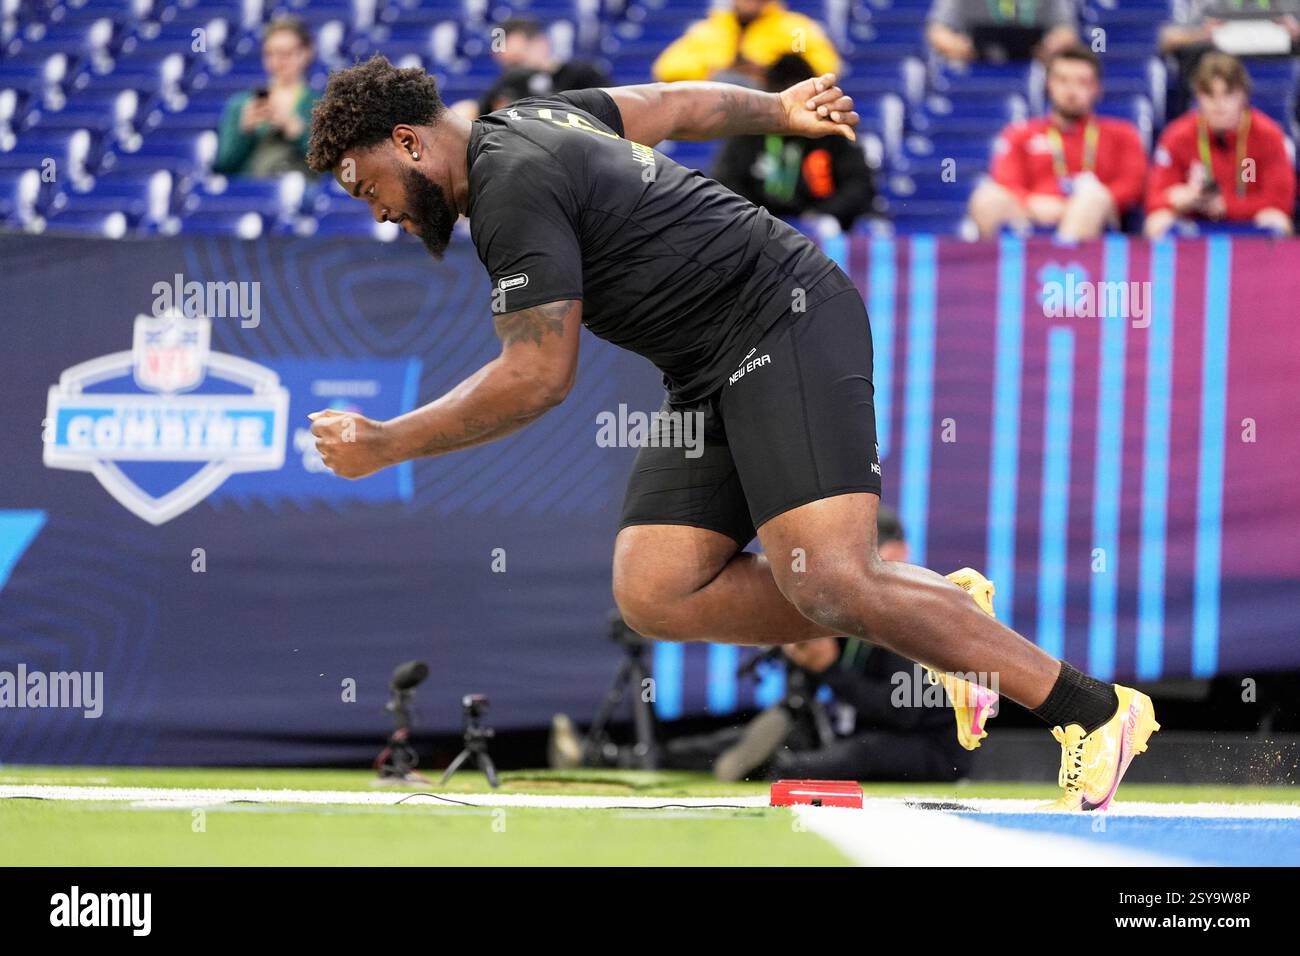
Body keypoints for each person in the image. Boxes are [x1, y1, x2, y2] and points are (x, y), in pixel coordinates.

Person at [303, 55, 1159, 812]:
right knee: (657, 588)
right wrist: (778, 110)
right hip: (705, 367)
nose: (376, 211)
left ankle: (1094, 710)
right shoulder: (535, 118)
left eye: (363, 183)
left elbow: (536, 378)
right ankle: (933, 620)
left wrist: (389, 443)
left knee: (830, 583)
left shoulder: (508, 184)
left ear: (410, 143)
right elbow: (675, 105)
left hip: (781, 320)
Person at [967, 45, 1147, 240]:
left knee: (1093, 198)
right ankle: (1001, 268)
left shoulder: (1123, 133)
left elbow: (1132, 185)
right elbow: (1006, 181)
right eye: (1062, 80)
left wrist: (1072, 206)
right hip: (1033, 211)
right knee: (986, 197)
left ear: (1097, 89)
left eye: (1082, 82)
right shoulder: (1021, 134)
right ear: (1048, 85)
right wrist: (1031, 203)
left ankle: (1063, 264)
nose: (1071, 91)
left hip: (1097, 215)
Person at [712, 54, 876, 233]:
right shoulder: (748, 132)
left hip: (823, 230)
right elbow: (727, 184)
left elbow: (858, 185)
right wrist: (758, 219)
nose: (791, 104)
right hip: (759, 229)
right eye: (782, 92)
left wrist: (825, 215)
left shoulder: (832, 130)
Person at [1145, 52, 1295, 238]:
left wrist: (1227, 205)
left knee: (1277, 220)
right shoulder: (1177, 135)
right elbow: (1154, 199)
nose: (1219, 105)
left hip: (1248, 220)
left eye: (1228, 94)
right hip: (1195, 220)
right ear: (1198, 97)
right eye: (1210, 95)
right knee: (1157, 221)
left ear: (1243, 95)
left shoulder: (1268, 135)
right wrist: (1182, 198)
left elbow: (1280, 201)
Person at [213, 17, 320, 178]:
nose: (277, 62)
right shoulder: (240, 104)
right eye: (270, 54)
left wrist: (296, 130)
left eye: (286, 53)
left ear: (306, 53)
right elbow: (224, 165)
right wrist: (244, 131)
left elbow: (329, 166)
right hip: (252, 195)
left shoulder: (321, 105)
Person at [651, 0, 841, 86]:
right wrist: (713, 69)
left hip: (773, 106)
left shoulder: (796, 28)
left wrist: (769, 72)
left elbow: (823, 67)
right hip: (717, 108)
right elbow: (667, 67)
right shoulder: (709, 29)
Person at [477, 17, 609, 118]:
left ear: (541, 43)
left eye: (519, 61)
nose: (518, 71)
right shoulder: (508, 83)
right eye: (511, 65)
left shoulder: (582, 75)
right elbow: (479, 111)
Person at [926, 0, 1078, 65]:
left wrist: (1050, 46)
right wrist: (958, 46)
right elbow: (938, 31)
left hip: (1034, 63)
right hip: (973, 64)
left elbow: (1066, 32)